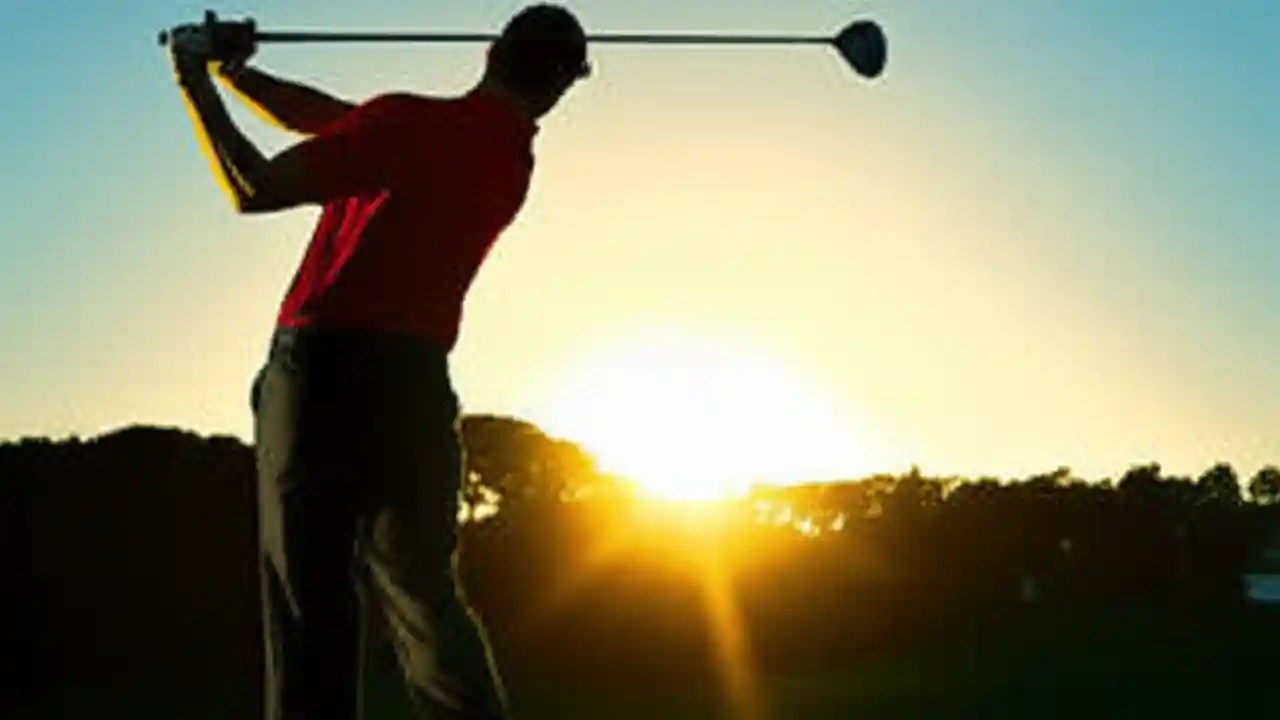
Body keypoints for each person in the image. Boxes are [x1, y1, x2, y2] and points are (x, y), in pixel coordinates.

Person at [167, 6, 590, 719]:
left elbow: (254, 188)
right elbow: (331, 120)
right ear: (559, 89)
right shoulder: (507, 157)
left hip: (323, 370)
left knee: (309, 600)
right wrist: (235, 72)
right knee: (425, 596)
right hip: (416, 385)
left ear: (491, 49)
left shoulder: (408, 124)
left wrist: (193, 80)